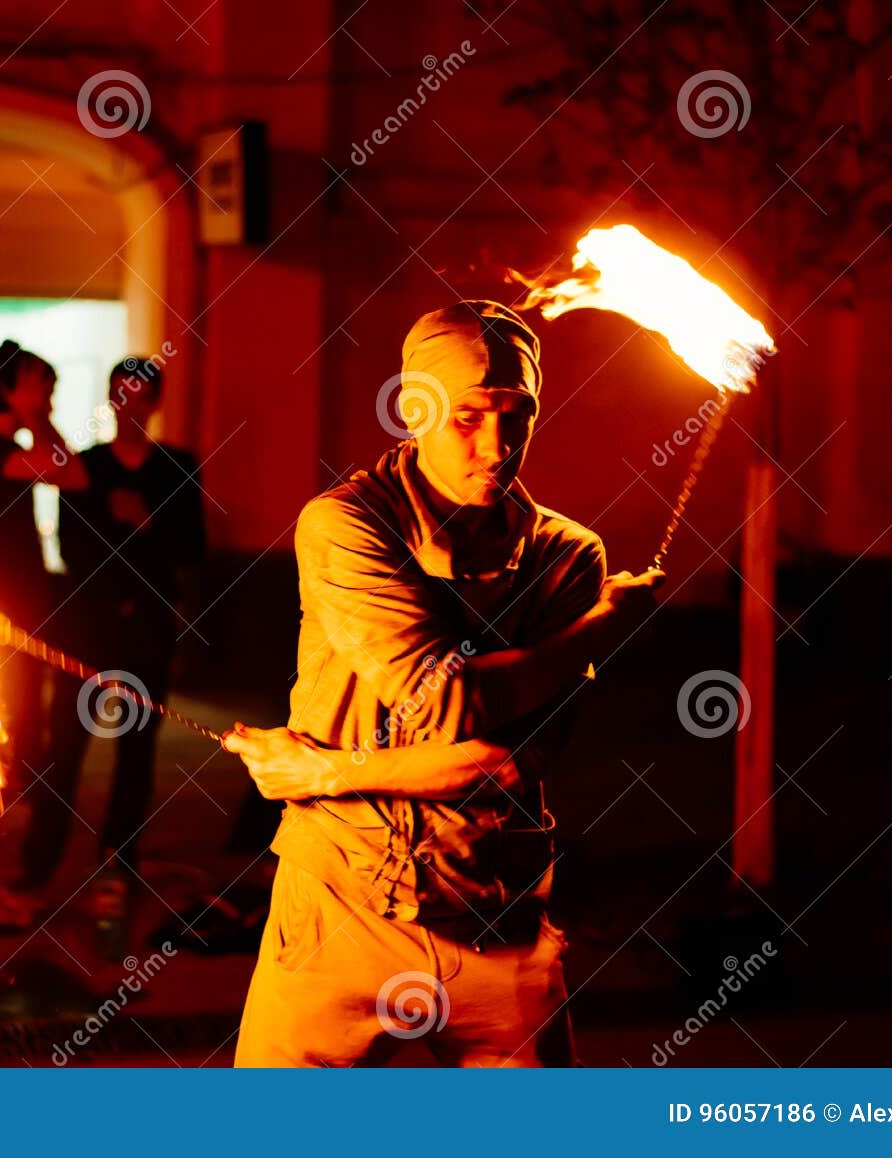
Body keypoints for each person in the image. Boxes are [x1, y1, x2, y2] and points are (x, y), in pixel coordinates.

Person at [222, 301, 664, 1067]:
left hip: (495, 916)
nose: (496, 447)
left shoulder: (568, 555)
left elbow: (507, 763)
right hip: (339, 906)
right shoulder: (345, 526)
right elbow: (444, 697)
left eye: (515, 416)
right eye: (468, 417)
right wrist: (597, 629)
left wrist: (325, 770)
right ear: (416, 408)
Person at [45, 357, 206, 882]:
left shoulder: (177, 468)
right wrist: (112, 529)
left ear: (155, 403)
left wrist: (146, 523)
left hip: (149, 624)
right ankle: (40, 859)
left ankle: (118, 858)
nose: (128, 407)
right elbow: (70, 546)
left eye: (139, 396)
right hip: (89, 623)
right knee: (65, 744)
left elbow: (192, 547)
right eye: (119, 395)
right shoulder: (87, 466)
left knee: (136, 751)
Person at [0, 341, 85, 921]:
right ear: (12, 390)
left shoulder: (3, 448)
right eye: (41, 388)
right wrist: (36, 416)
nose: (49, 401)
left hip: (22, 620)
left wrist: (35, 417)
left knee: (16, 748)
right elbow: (71, 473)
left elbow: (66, 473)